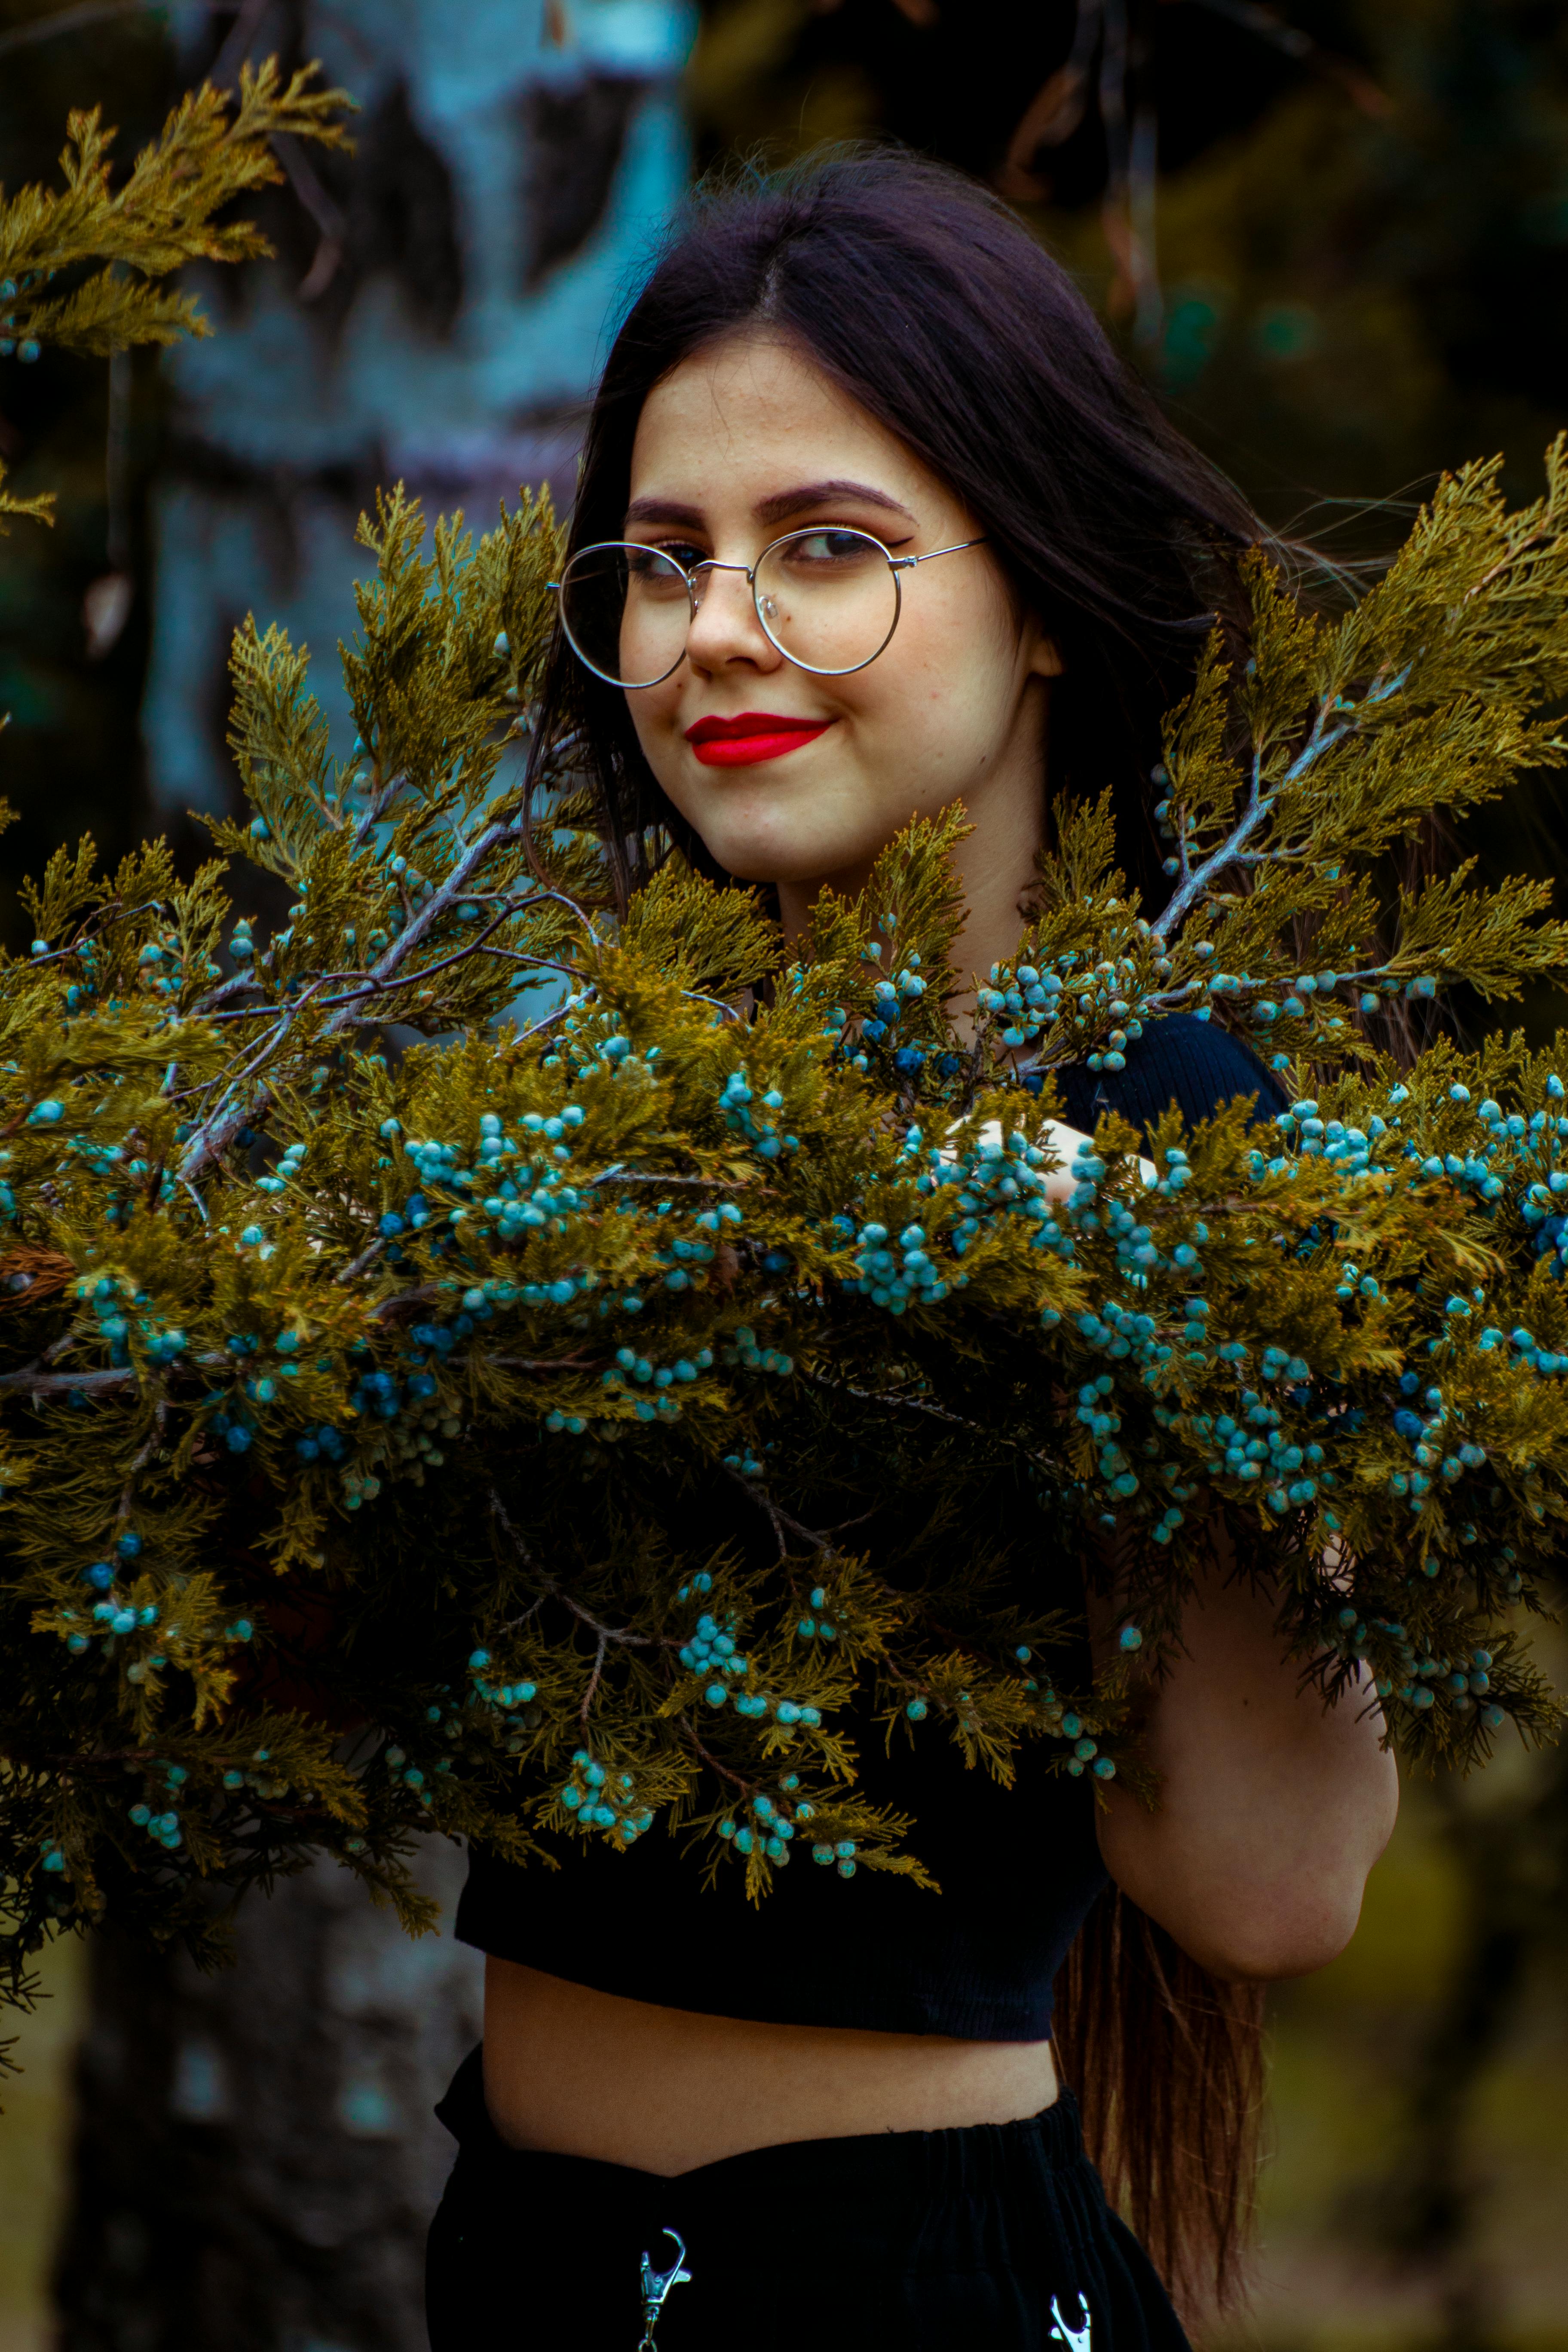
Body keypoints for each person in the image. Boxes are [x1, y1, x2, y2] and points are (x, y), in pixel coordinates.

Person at [424, 148, 1399, 2351]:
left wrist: (1125, 1321)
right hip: (531, 2272)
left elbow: (1272, 1881)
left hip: (900, 2294)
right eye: (663, 563)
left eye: (829, 549)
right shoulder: (589, 1120)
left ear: (1039, 595)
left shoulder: (1164, 1120)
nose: (718, 635)